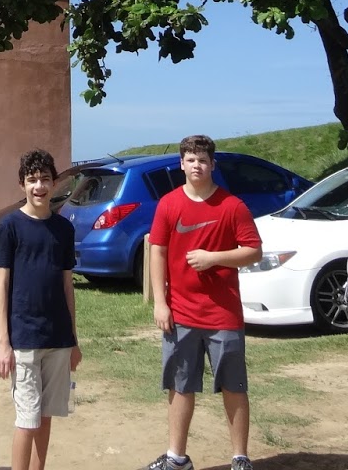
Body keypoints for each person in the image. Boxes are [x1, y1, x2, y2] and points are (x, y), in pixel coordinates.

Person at [143, 134, 262, 470]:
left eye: (203, 160)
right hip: (180, 313)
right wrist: (160, 303)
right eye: (191, 160)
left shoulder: (232, 206)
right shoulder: (169, 204)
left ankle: (240, 458)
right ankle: (176, 458)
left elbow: (253, 251)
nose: (197, 166)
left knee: (233, 385)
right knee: (179, 386)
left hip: (223, 314)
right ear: (181, 164)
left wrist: (214, 258)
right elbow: (158, 252)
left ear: (213, 165)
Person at [0, 148, 82, 470]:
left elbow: (67, 285)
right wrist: (3, 342)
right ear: (22, 185)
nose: (39, 186)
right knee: (27, 419)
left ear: (54, 183)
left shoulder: (64, 229)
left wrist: (73, 340)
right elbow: (2, 284)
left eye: (44, 179)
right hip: (24, 339)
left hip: (57, 338)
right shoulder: (11, 226)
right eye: (32, 180)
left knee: (45, 416)